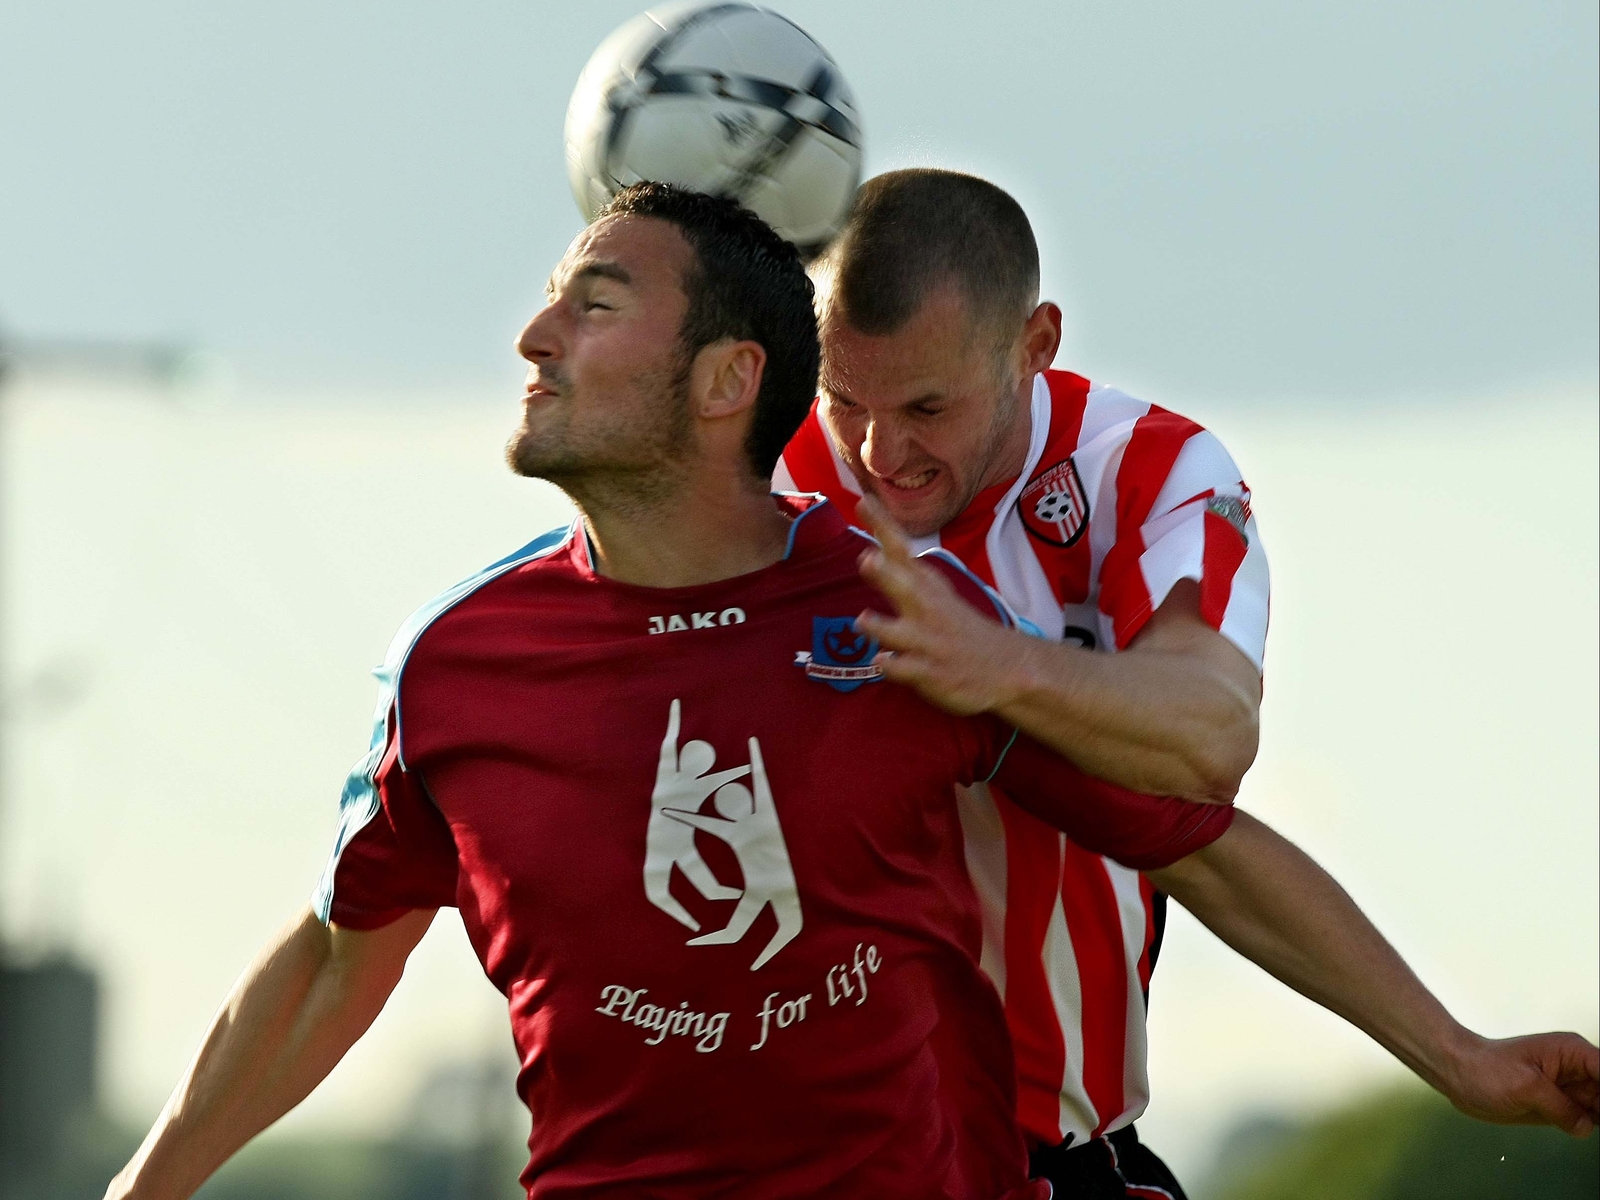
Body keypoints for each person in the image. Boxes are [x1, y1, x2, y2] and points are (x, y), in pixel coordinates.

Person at [103, 184, 1239, 1200]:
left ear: (729, 379)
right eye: (555, 302)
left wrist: (1007, 666)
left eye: (595, 305)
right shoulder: (454, 658)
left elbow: (1205, 839)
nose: (533, 337)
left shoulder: (904, 607)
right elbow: (333, 959)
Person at [778, 168, 1600, 1194]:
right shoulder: (757, 482)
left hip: (1048, 1160)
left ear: (1034, 345)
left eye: (926, 408)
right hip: (794, 1158)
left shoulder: (1146, 470)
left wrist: (1001, 662)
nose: (878, 452)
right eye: (844, 399)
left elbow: (1205, 753)